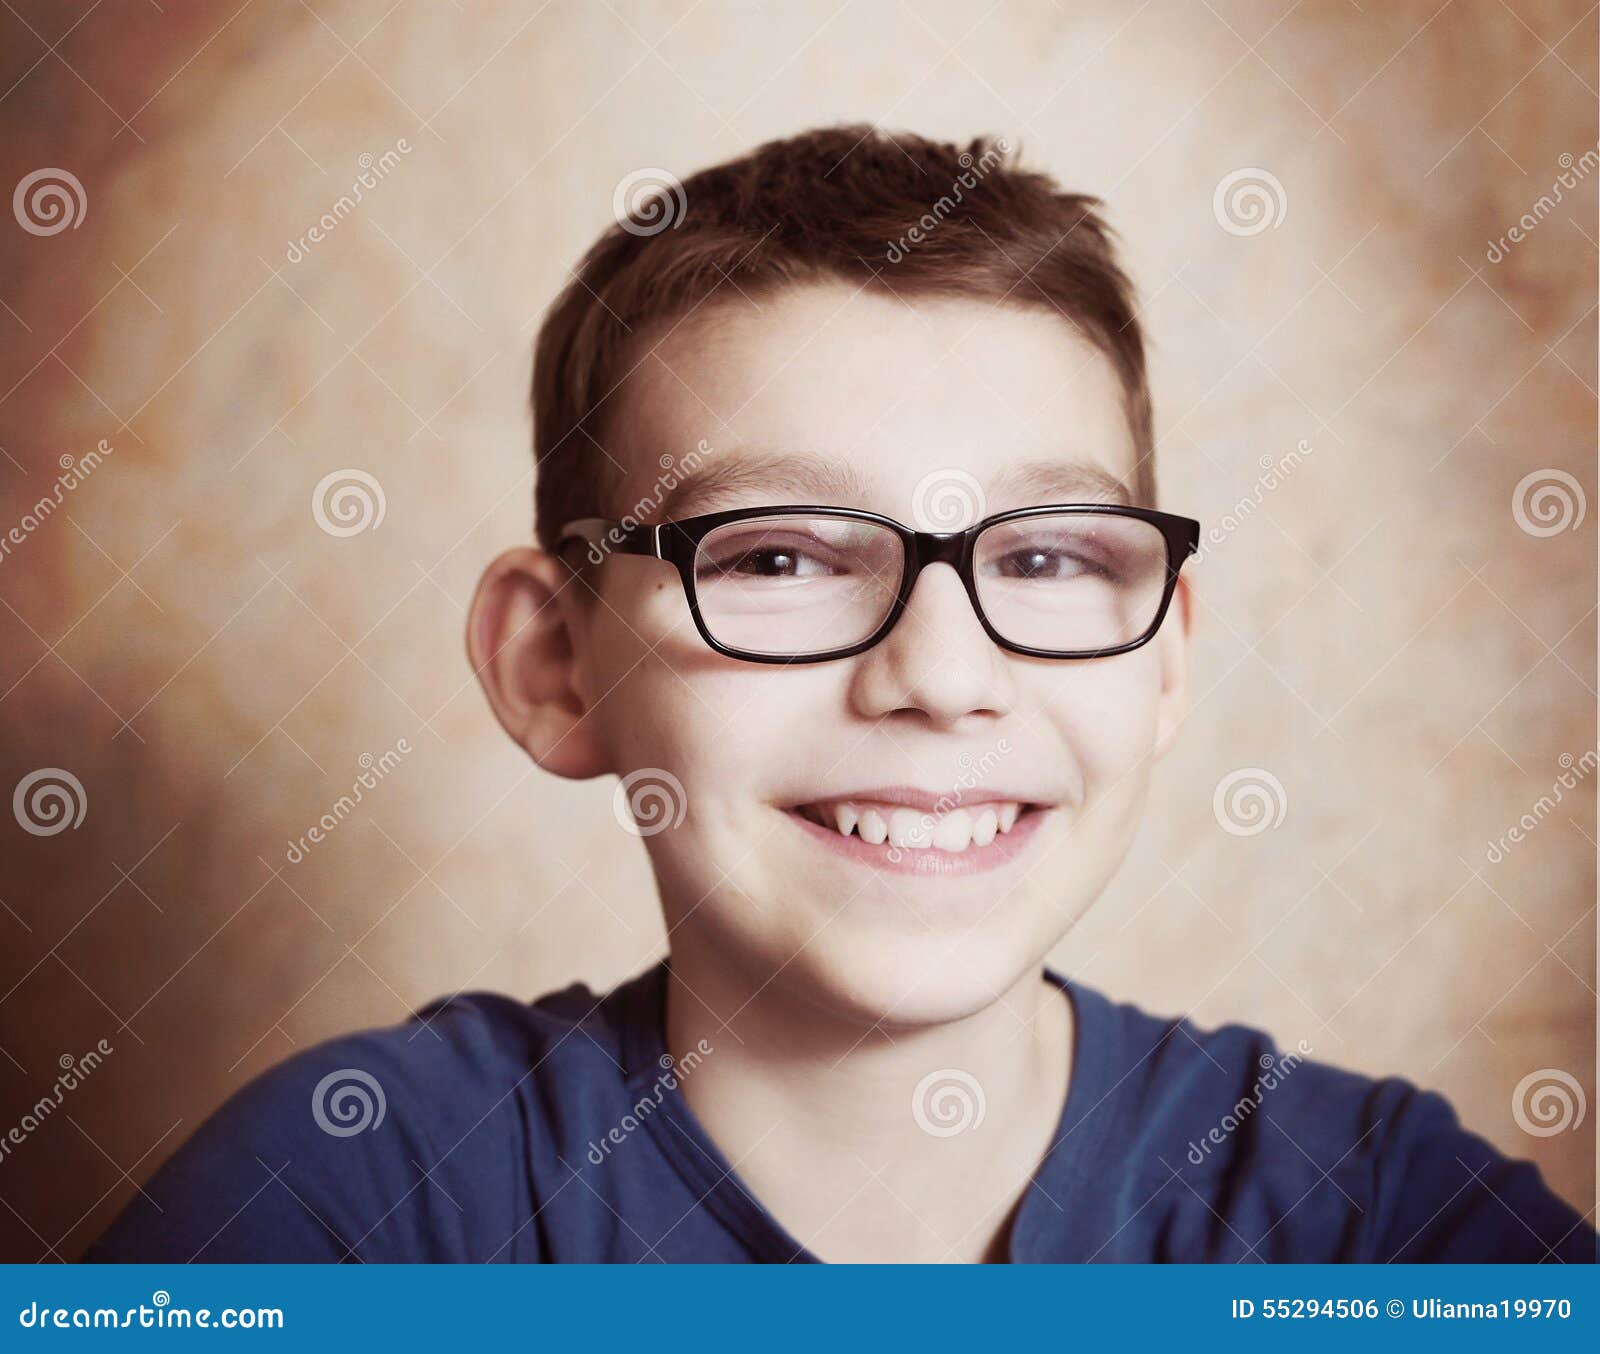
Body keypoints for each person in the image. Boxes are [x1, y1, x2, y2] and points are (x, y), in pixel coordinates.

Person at [86, 126, 1594, 1264]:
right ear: (554, 665)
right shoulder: (356, 1206)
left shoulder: (1375, 1221)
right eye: (780, 558)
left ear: (1163, 657)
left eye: (1048, 557)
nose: (941, 675)